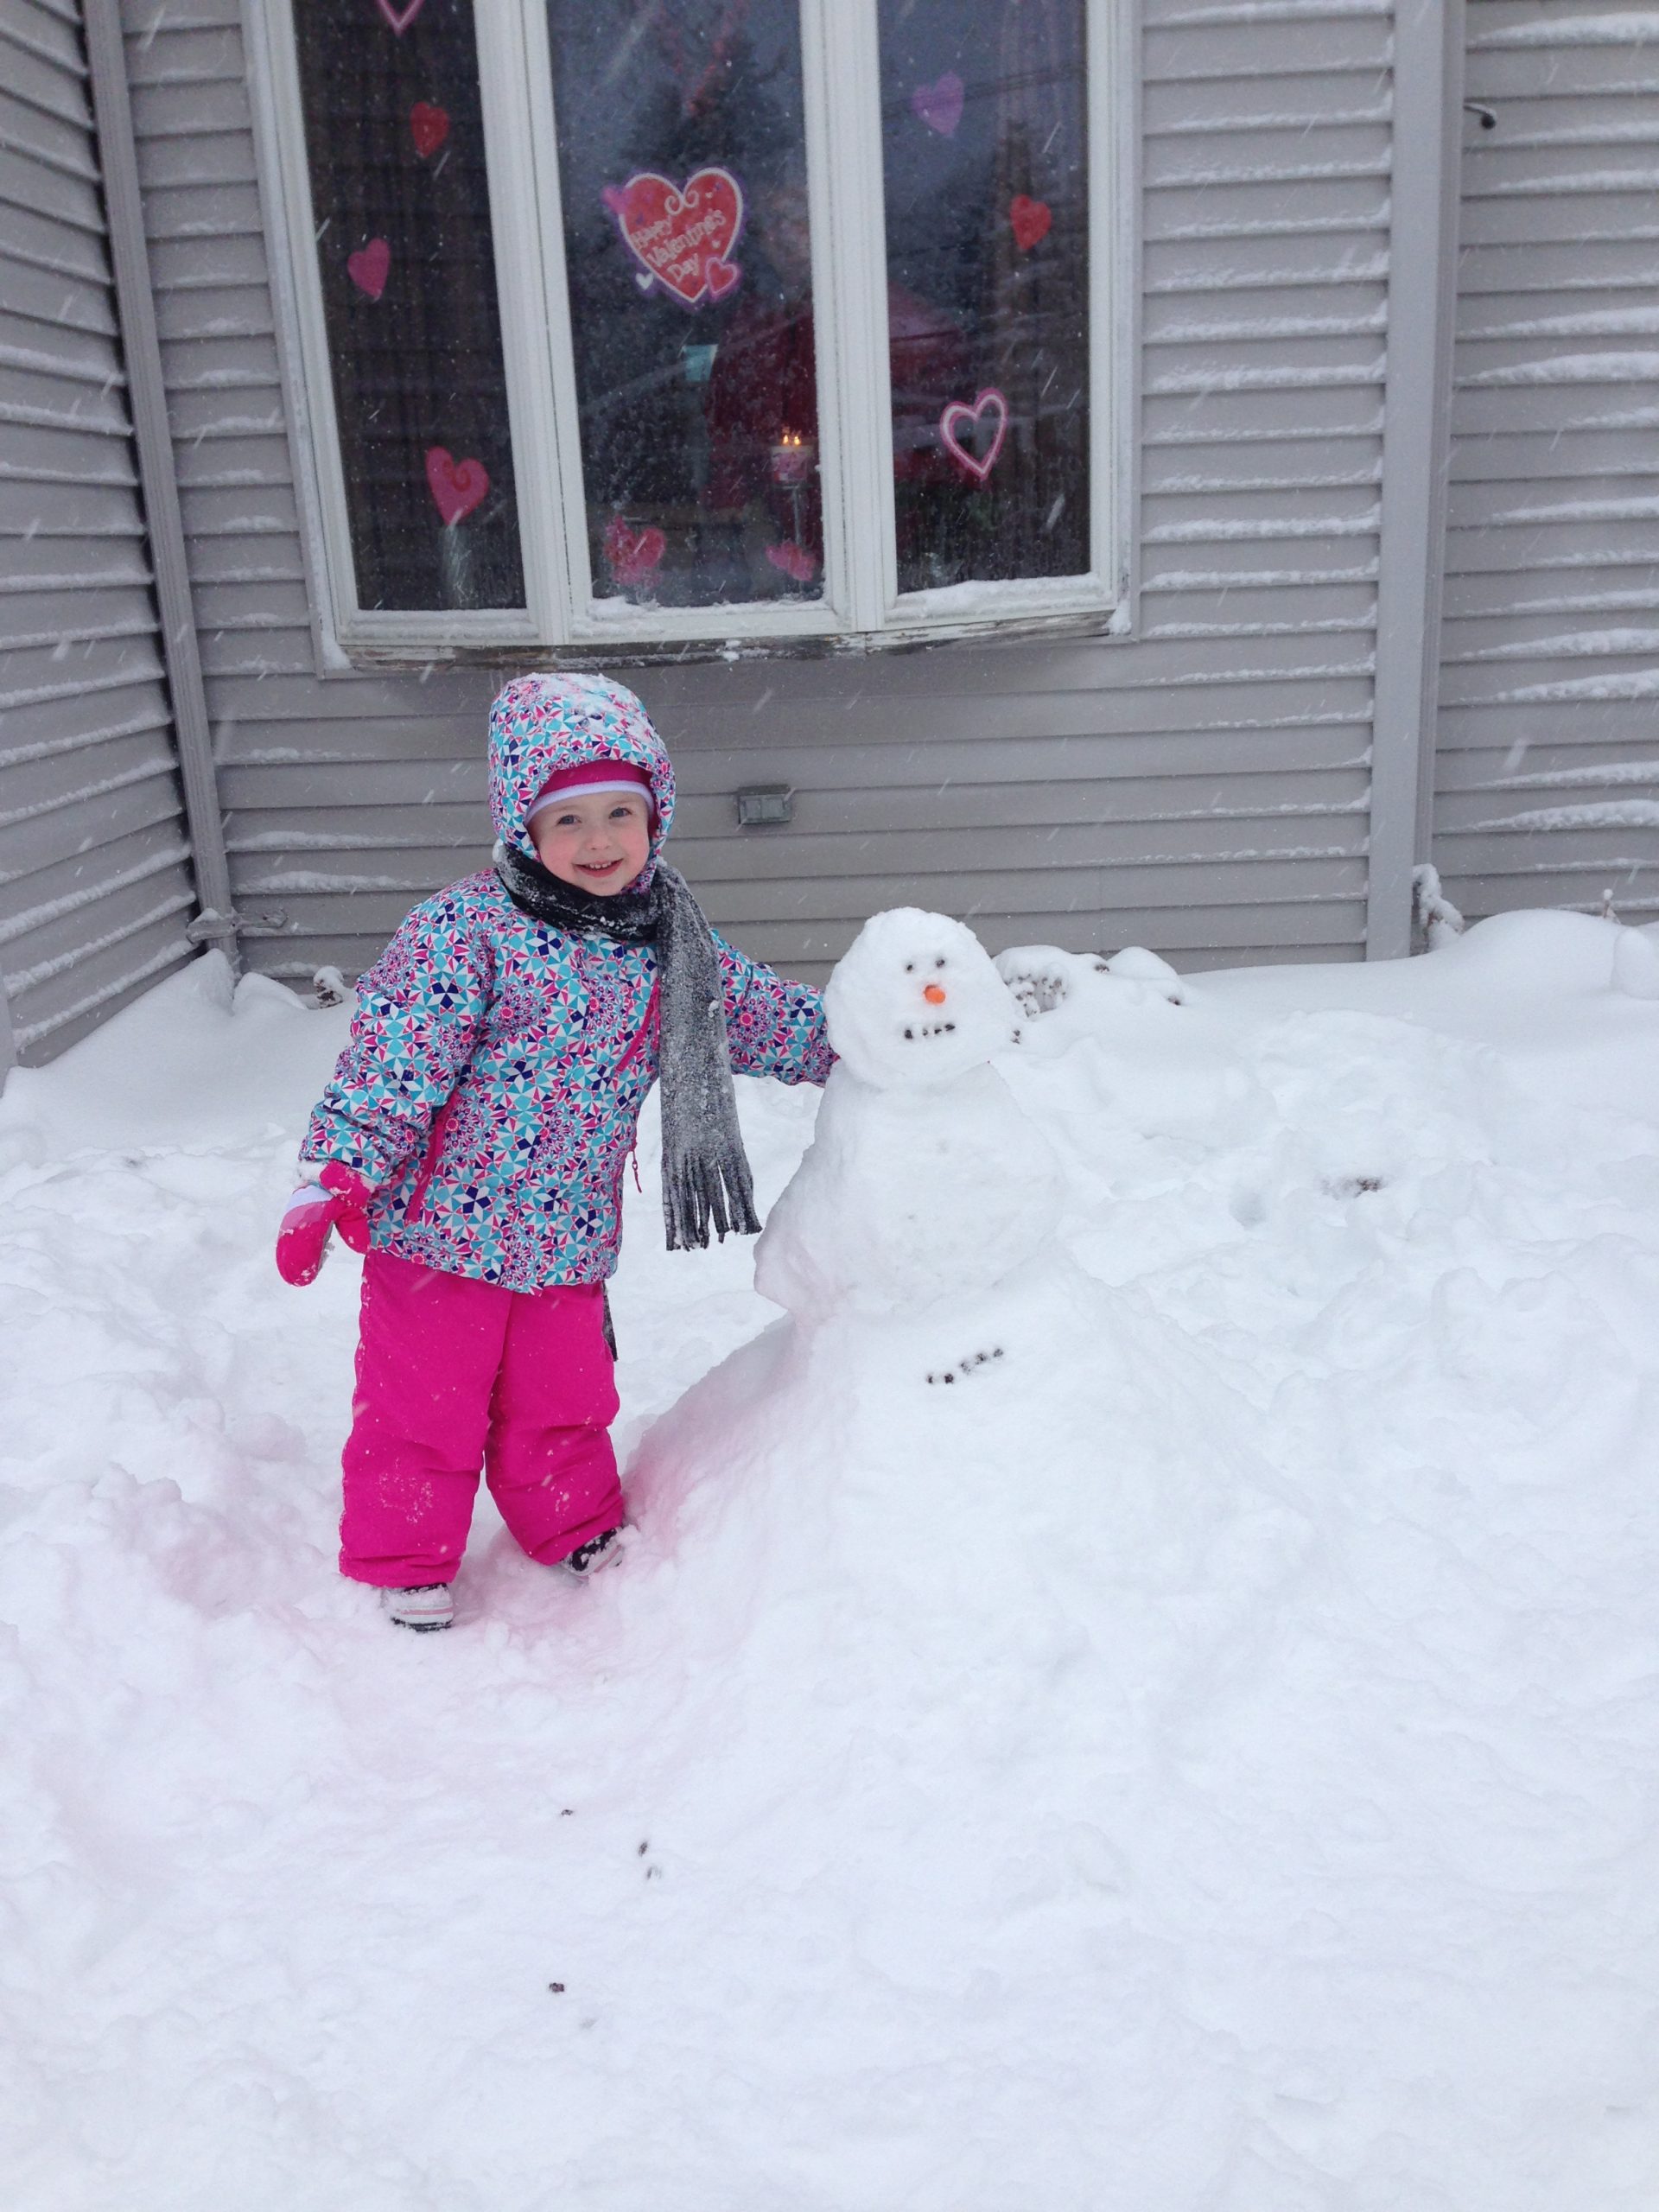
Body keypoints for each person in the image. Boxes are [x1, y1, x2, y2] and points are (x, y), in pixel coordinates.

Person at [276, 672, 832, 1632]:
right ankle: (407, 1553)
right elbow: (394, 1060)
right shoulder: (466, 930)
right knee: (424, 1407)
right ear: (522, 828)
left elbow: (753, 1014)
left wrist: (872, 1041)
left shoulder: (670, 942)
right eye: (569, 820)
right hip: (438, 1237)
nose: (603, 841)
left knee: (564, 1399)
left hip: (565, 1239)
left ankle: (568, 1520)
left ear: (657, 818)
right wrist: (335, 1174)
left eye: (623, 812)